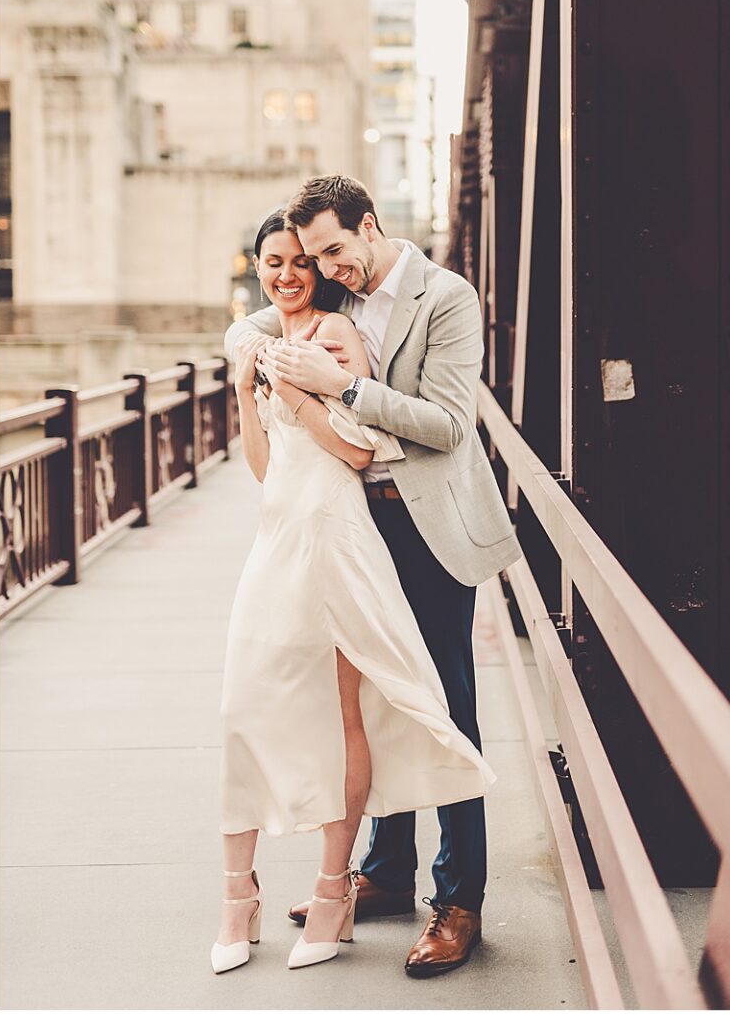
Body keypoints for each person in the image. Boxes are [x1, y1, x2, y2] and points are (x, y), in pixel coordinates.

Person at [229, 176, 523, 977]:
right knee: (367, 700)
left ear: (368, 225)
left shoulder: (447, 298)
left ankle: (459, 899)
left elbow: (449, 425)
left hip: (427, 525)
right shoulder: (334, 289)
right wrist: (245, 352)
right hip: (355, 524)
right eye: (312, 256)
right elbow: (256, 319)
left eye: (333, 250)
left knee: (443, 703)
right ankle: (387, 872)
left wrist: (347, 387)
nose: (324, 269)